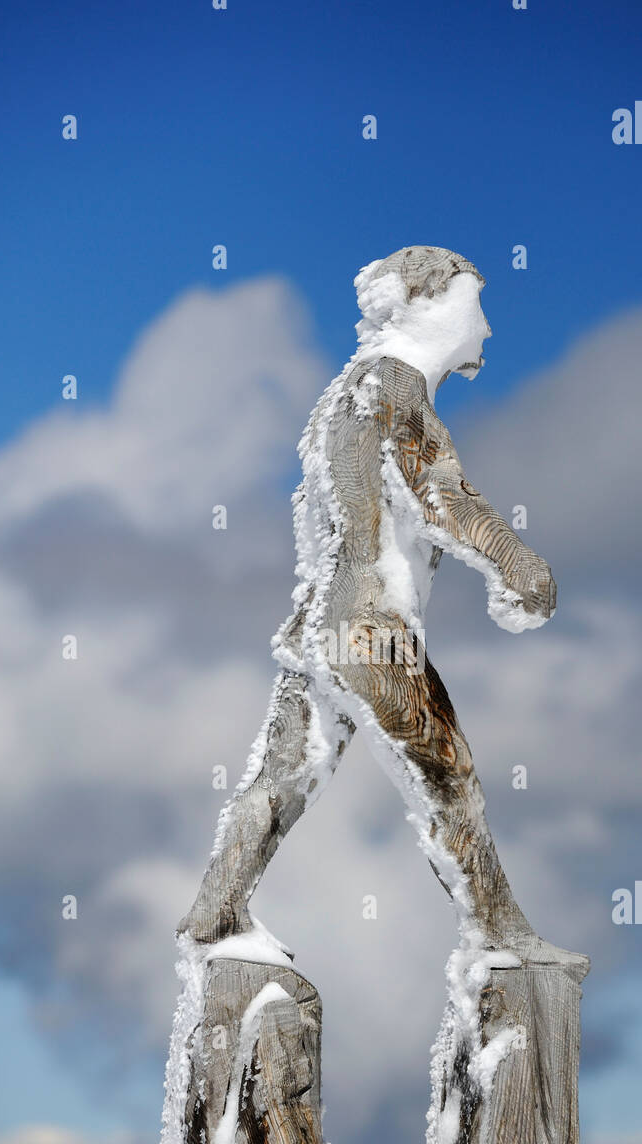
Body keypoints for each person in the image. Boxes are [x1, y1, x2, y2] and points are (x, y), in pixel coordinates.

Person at [179, 246, 555, 952]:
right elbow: (439, 493)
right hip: (371, 627)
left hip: (321, 623)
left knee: (282, 779)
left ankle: (213, 916)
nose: (487, 328)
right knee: (448, 775)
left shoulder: (345, 392)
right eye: (475, 306)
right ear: (426, 303)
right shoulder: (394, 383)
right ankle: (500, 938)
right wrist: (518, 563)